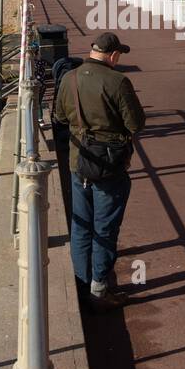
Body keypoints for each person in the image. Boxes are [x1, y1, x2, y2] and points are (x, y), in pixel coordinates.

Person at [53, 32, 145, 313]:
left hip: (78, 162)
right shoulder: (118, 82)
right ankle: (99, 289)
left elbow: (58, 116)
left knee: (80, 226)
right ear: (114, 55)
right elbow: (136, 124)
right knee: (104, 228)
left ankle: (81, 285)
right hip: (109, 166)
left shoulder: (69, 78)